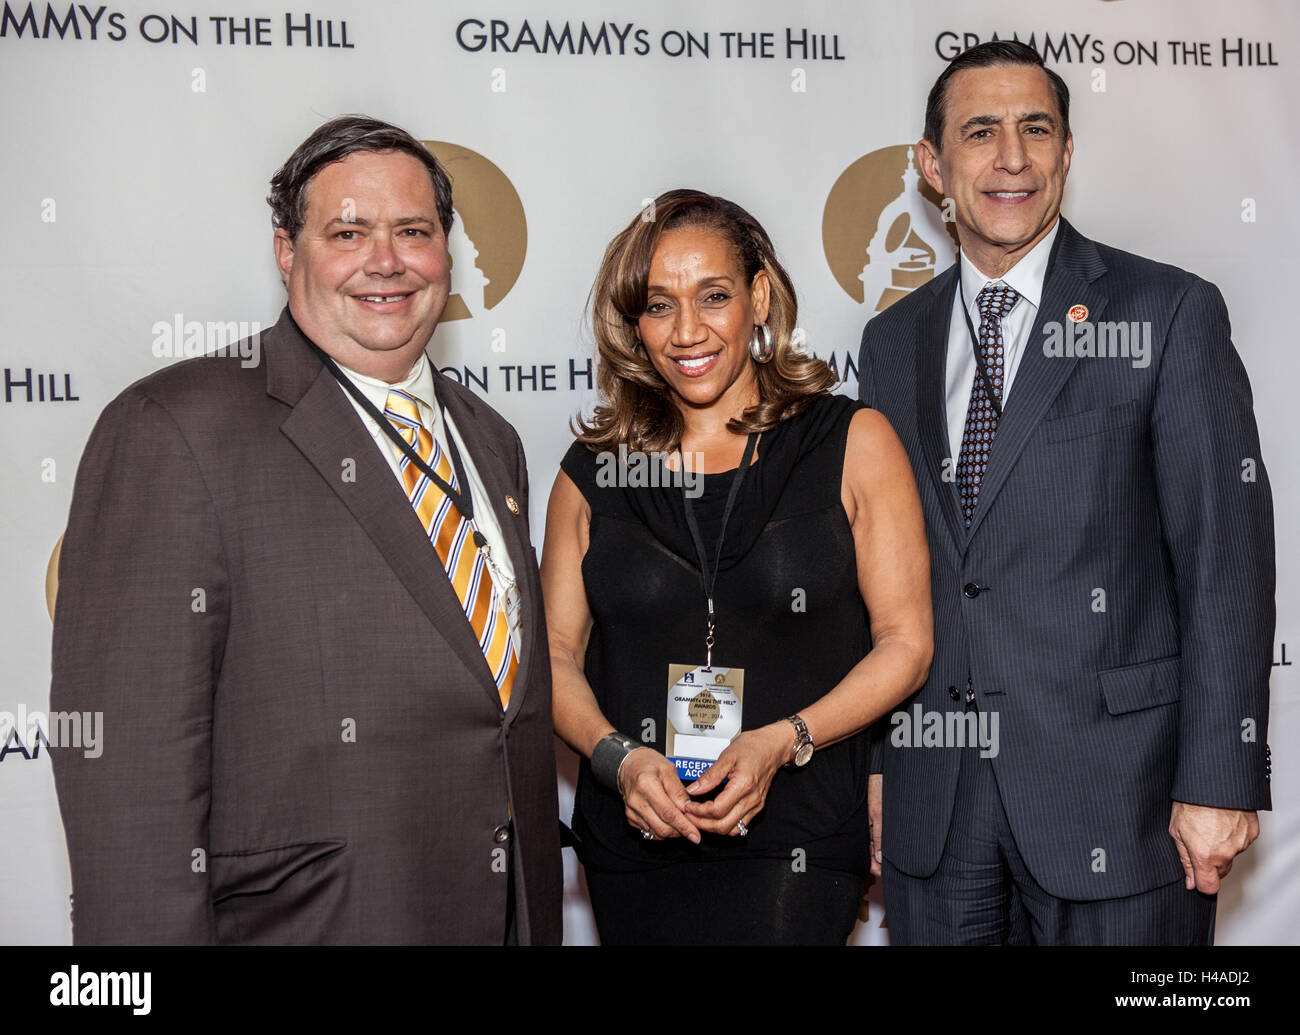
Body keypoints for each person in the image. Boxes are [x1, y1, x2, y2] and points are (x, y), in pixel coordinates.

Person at [49, 115, 562, 944]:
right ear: (287, 250)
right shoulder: (175, 427)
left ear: (449, 250)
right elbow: (131, 784)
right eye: (348, 232)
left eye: (413, 231)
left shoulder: (490, 438)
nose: (386, 261)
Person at [857, 41, 1274, 945]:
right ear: (933, 167)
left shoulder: (1165, 313)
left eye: (1036, 129)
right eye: (980, 133)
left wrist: (1221, 777)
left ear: (1067, 153)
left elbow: (1225, 565)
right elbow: (886, 579)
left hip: (1119, 803)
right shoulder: (891, 343)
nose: (1012, 157)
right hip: (941, 811)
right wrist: (884, 768)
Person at [541, 189, 932, 945]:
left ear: (758, 297)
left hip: (799, 831)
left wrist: (783, 739)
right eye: (659, 305)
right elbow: (554, 658)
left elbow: (907, 643)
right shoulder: (591, 472)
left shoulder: (851, 440)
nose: (688, 330)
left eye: (712, 295)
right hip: (637, 836)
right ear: (633, 321)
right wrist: (616, 759)